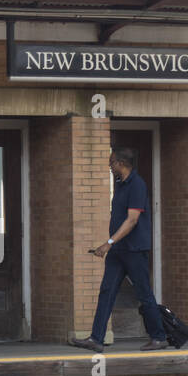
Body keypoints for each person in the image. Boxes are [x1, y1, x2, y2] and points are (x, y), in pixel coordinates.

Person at [71, 147, 170, 352]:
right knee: (107, 291)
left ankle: (159, 337)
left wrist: (109, 242)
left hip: (134, 250)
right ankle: (96, 339)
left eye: (112, 162)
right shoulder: (120, 184)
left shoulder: (137, 185)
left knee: (143, 294)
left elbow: (132, 220)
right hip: (118, 250)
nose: (110, 166)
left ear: (122, 163)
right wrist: (113, 244)